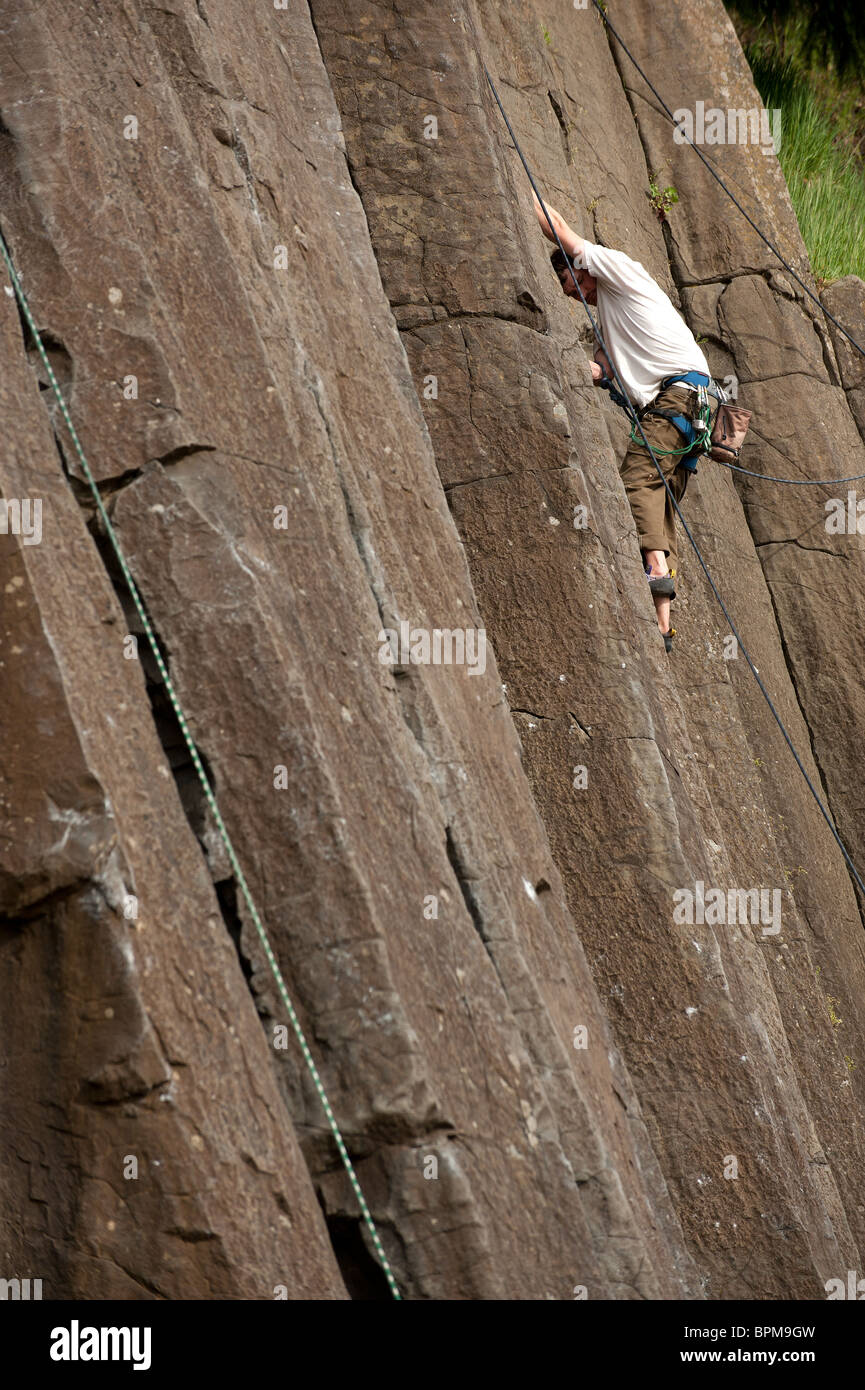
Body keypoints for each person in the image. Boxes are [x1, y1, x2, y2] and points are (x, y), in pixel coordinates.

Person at [534, 193, 713, 651]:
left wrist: (526, 194)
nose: (579, 297)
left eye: (576, 287)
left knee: (637, 481)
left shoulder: (615, 269)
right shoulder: (610, 321)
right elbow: (601, 367)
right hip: (692, 405)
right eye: (572, 297)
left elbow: (561, 232)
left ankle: (654, 573)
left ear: (584, 269)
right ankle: (663, 621)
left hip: (679, 398)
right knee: (663, 502)